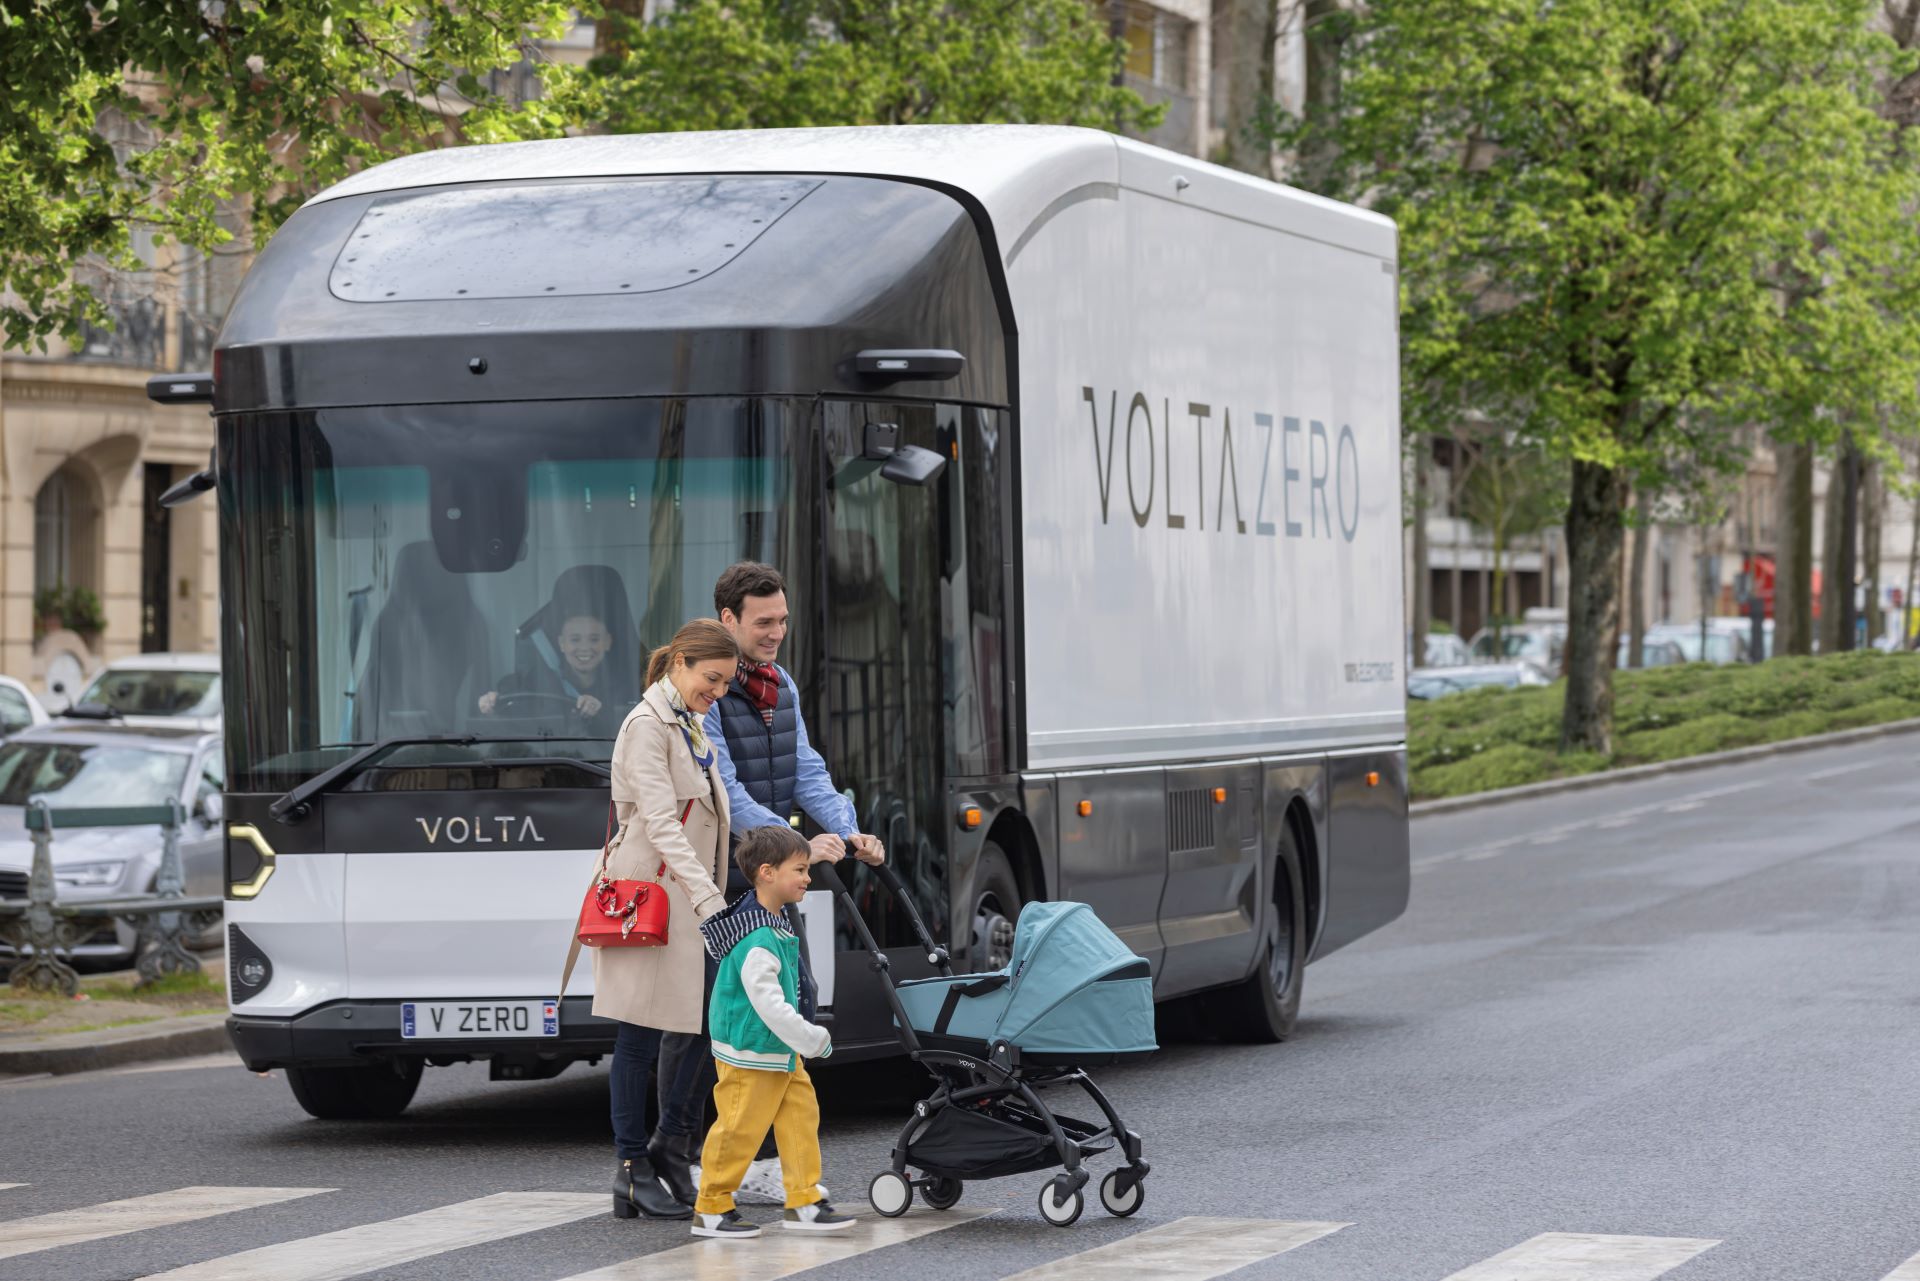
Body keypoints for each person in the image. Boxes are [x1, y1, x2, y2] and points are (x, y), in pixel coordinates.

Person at [649, 561, 885, 1207]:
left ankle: (757, 1155)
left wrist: (848, 828)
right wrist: (797, 843)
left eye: (782, 619)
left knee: (793, 995)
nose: (777, 631)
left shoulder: (779, 684)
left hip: (771, 875)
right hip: (721, 873)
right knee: (706, 1019)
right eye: (764, 621)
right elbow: (724, 785)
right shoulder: (710, 690)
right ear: (728, 620)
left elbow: (806, 766)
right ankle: (681, 1153)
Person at [578, 617, 738, 1221]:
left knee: (698, 1021)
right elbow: (660, 823)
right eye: (711, 679)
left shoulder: (687, 722)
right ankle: (630, 1168)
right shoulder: (647, 726)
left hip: (685, 896)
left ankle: (668, 1147)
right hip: (653, 899)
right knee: (638, 1036)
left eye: (724, 682)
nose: (717, 692)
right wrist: (707, 898)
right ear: (679, 665)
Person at [689, 825, 853, 1239]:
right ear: (767, 872)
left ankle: (804, 1200)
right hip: (751, 1051)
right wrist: (810, 1038)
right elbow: (768, 1004)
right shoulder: (758, 935)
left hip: (777, 1050)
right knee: (739, 1127)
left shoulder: (769, 921)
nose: (807, 877)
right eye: (799, 870)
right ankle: (711, 1206)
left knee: (799, 1117)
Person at [479, 566, 640, 737]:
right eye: (575, 639)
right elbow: (515, 719)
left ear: (608, 642)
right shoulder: (534, 682)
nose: (584, 647)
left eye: (594, 639)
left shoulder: (630, 688)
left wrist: (602, 715)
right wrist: (493, 706)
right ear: (561, 643)